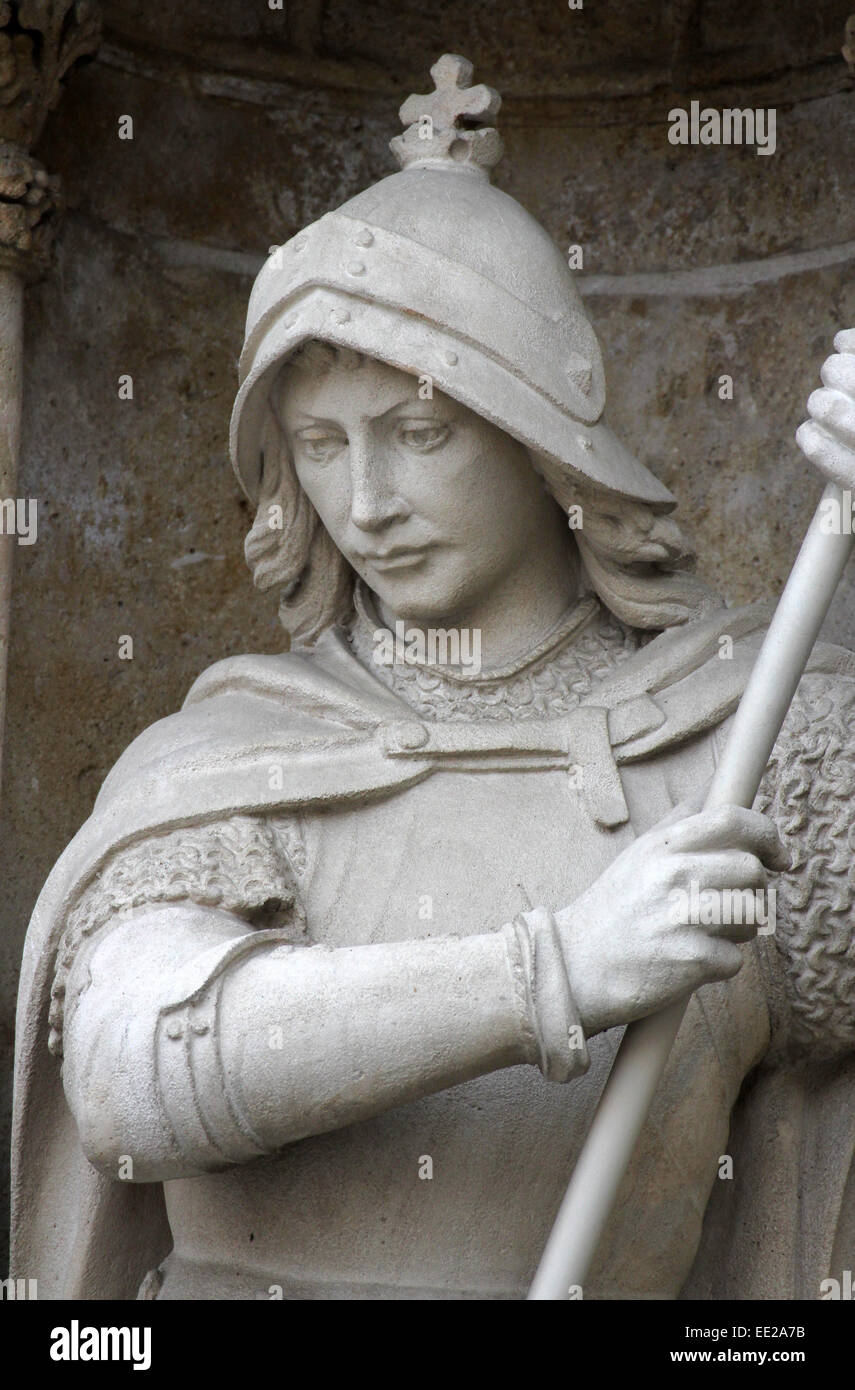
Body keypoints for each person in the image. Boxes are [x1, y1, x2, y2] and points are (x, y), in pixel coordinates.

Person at [11, 54, 855, 1300]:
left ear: (536, 439)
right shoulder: (234, 751)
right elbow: (136, 1078)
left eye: (419, 435)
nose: (366, 503)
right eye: (319, 445)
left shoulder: (755, 736)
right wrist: (554, 968)